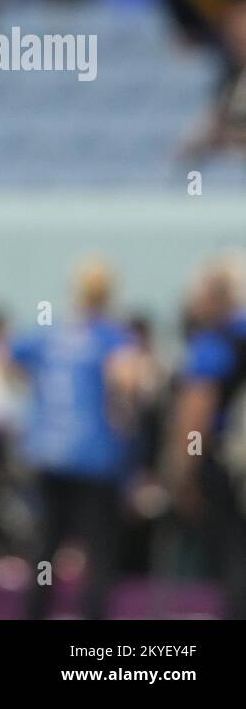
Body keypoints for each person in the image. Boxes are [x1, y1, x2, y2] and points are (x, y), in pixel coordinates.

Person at [11, 259, 140, 620]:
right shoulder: (113, 339)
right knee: (98, 553)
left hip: (48, 455)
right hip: (96, 459)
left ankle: (33, 614)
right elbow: (127, 391)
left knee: (45, 548)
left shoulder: (48, 335)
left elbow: (10, 359)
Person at [166, 255, 246, 618]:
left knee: (233, 558)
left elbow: (194, 415)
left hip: (229, 471)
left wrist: (181, 476)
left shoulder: (216, 341)